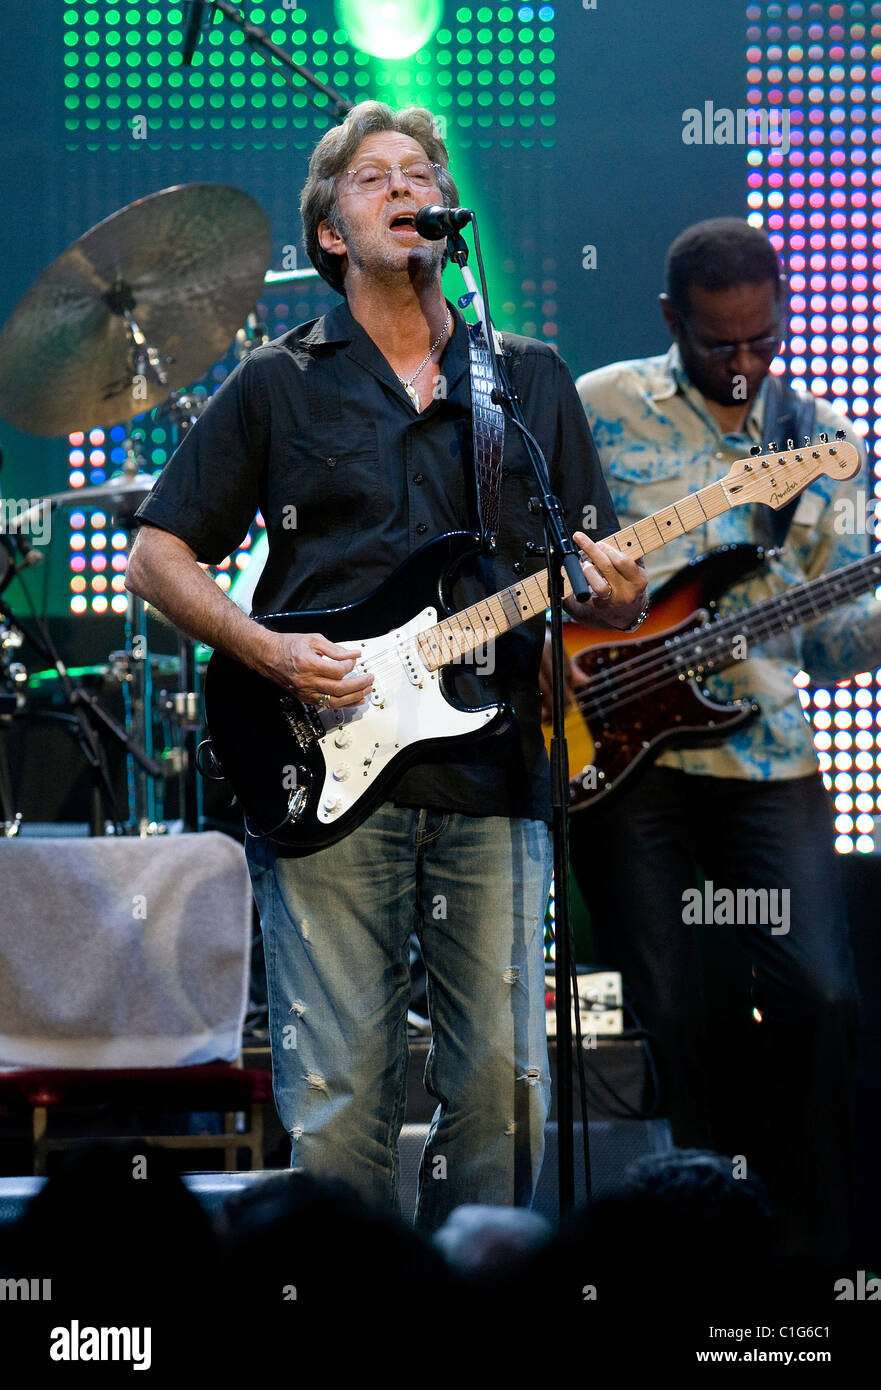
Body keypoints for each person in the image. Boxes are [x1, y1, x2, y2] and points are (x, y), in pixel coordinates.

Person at [126, 101, 646, 1230]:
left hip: (493, 767)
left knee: (505, 1093)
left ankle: (470, 1303)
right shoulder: (280, 379)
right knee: (341, 1092)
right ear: (328, 234)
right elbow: (157, 553)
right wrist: (266, 647)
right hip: (323, 772)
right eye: (374, 178)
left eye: (422, 171)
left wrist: (617, 588)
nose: (406, 186)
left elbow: (601, 570)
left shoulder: (527, 378)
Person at [564, 217, 875, 1262]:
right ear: (671, 321)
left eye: (759, 341)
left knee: (820, 995)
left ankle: (809, 1243)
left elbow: (828, 646)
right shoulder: (598, 407)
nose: (742, 364)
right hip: (613, 742)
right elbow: (528, 552)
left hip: (761, 751)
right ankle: (680, 1246)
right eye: (716, 344)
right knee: (662, 1002)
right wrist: (563, 644)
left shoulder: (820, 441)